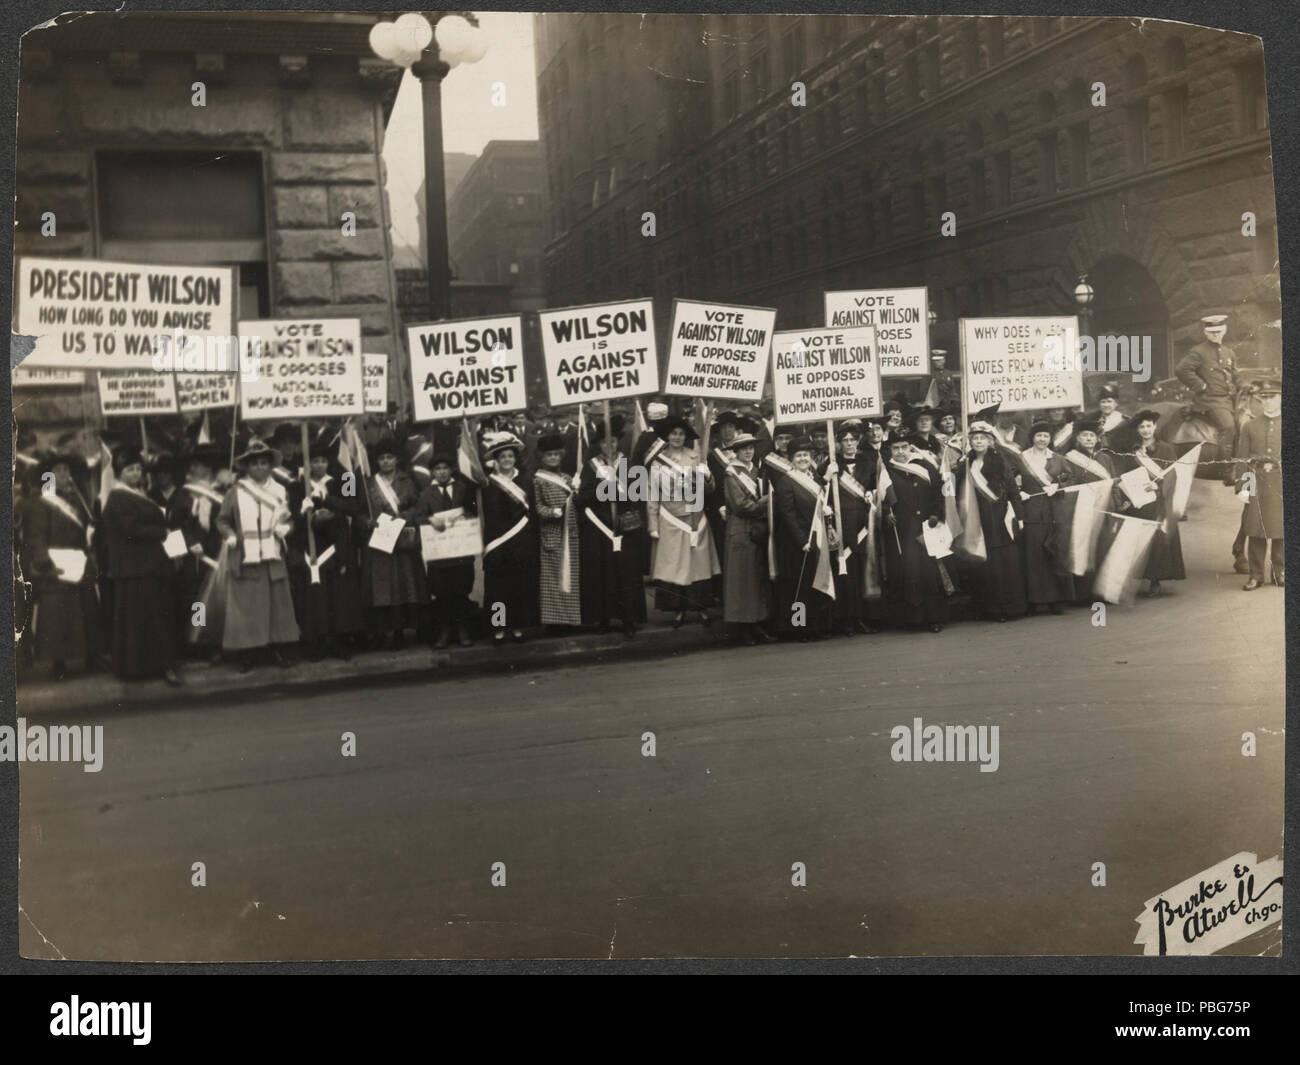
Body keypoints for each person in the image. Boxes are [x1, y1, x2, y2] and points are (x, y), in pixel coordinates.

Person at [101, 447, 183, 685]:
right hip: (135, 565)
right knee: (143, 617)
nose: (136, 473)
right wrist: (162, 532)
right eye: (130, 469)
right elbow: (130, 529)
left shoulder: (135, 494)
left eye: (138, 468)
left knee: (150, 616)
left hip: (145, 563)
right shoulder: (118, 497)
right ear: (119, 473)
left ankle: (151, 664)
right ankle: (144, 666)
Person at [216, 439, 300, 671]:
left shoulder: (281, 490)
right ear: (247, 467)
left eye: (264, 463)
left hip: (272, 555)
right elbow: (222, 520)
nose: (259, 468)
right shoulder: (235, 491)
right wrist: (230, 535)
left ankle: (278, 650)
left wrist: (286, 529)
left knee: (277, 606)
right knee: (247, 607)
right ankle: (248, 653)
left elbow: (288, 519)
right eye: (254, 464)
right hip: (246, 557)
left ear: (270, 466)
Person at [24, 449, 103, 679]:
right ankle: (58, 663)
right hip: (56, 563)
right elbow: (35, 536)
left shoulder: (76, 501)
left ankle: (92, 656)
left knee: (87, 609)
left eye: (66, 470)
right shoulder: (42, 503)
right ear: (48, 477)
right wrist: (43, 562)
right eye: (58, 470)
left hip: (79, 560)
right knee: (58, 616)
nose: (64, 474)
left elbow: (82, 528)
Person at [290, 438, 366, 660]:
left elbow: (354, 507)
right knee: (316, 597)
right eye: (315, 461)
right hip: (312, 547)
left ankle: (340, 641)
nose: (320, 465)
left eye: (323, 461)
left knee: (339, 597)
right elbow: (292, 518)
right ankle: (317, 642)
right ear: (308, 463)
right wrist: (303, 512)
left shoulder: (345, 479)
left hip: (337, 544)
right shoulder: (297, 486)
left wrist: (328, 501)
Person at [578, 417, 649, 637]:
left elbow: (639, 493)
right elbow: (583, 498)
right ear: (599, 444)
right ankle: (603, 618)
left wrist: (622, 494)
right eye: (604, 442)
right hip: (600, 527)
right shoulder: (591, 466)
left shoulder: (628, 463)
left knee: (626, 574)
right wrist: (604, 489)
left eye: (613, 441)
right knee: (603, 574)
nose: (609, 446)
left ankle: (628, 618)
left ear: (618, 442)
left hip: (624, 526)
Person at [648, 416, 719, 626]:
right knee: (675, 565)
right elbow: (652, 494)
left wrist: (707, 477)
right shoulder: (657, 461)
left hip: (695, 517)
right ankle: (678, 609)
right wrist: (653, 524)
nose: (677, 437)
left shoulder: (696, 457)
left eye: (681, 434)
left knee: (698, 564)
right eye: (673, 433)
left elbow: (710, 490)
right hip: (671, 518)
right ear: (667, 436)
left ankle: (700, 607)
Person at [955, 419, 1027, 622]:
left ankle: (1009, 607)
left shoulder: (1000, 461)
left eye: (982, 438)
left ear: (989, 441)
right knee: (984, 565)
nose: (978, 442)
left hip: (999, 517)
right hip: (977, 519)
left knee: (1003, 564)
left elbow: (1013, 490)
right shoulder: (965, 463)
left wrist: (1020, 516)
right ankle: (989, 608)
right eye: (974, 438)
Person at [362, 433, 427, 649]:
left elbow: (419, 507)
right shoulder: (367, 483)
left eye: (390, 457)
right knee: (382, 588)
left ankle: (401, 630)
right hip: (380, 542)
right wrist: (369, 522)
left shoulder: (408, 480)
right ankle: (382, 631)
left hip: (402, 541)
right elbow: (360, 509)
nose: (386, 461)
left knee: (404, 585)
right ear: (377, 461)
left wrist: (403, 518)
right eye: (382, 458)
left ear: (397, 459)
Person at [772, 435, 836, 640]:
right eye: (798, 455)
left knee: (813, 584)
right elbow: (787, 515)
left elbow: (819, 499)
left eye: (806, 455)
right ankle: (798, 628)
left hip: (816, 539)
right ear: (791, 459)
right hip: (797, 543)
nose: (802, 459)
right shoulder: (785, 482)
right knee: (798, 587)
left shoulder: (815, 477)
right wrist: (802, 541)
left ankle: (815, 627)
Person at [882, 434, 947, 633]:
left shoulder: (925, 467)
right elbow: (880, 498)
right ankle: (913, 619)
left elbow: (940, 492)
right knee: (909, 572)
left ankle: (934, 618)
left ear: (910, 447)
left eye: (904, 447)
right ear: (891, 451)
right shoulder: (885, 471)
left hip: (928, 527)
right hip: (903, 530)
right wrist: (886, 514)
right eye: (896, 448)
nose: (900, 452)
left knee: (929, 573)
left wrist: (936, 514)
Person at [1120, 410, 1186, 598]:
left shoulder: (1166, 448)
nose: (1146, 430)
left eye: (1149, 426)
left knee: (1157, 539)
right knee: (1141, 539)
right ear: (1138, 430)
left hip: (1159, 501)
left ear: (1155, 427)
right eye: (1142, 427)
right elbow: (1126, 475)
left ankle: (1155, 580)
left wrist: (1157, 484)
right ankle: (1142, 576)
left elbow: (1173, 475)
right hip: (1140, 502)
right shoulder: (1133, 451)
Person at [479, 432, 537, 643]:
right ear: (496, 460)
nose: (506, 460)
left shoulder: (525, 480)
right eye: (502, 457)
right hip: (498, 543)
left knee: (519, 588)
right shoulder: (487, 483)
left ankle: (518, 626)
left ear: (515, 458)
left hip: (521, 542)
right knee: (497, 590)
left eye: (510, 456)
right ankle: (499, 627)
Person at [719, 427, 775, 644]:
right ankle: (743, 628)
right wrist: (765, 502)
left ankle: (757, 623)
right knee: (741, 581)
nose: (748, 452)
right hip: (741, 530)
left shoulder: (756, 470)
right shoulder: (732, 473)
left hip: (757, 530)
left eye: (751, 447)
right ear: (736, 451)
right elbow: (740, 505)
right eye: (743, 449)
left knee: (757, 579)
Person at [1058, 414, 1120, 603]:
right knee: (1082, 547)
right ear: (1077, 438)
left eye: (1092, 436)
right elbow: (1066, 485)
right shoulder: (1069, 459)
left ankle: (1101, 592)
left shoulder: (1106, 459)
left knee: (1103, 547)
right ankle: (1083, 594)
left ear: (1098, 438)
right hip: (1081, 511)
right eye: (1085, 435)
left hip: (1104, 510)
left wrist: (1117, 503)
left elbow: (1114, 482)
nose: (1089, 439)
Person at [1016, 421, 1076, 614]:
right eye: (1039, 435)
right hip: (1031, 512)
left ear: (1050, 439)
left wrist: (1058, 486)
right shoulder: (1021, 458)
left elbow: (1070, 478)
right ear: (1033, 437)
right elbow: (1011, 479)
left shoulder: (1058, 458)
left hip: (1054, 512)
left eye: (1046, 436)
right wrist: (1019, 492)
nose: (1042, 439)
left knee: (1055, 556)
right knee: (1033, 556)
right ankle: (1035, 600)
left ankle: (1056, 600)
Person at [419, 453, 478, 648]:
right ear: (432, 472)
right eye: (438, 469)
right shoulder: (426, 493)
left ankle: (462, 629)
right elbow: (418, 516)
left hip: (461, 550)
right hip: (438, 552)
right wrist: (429, 520)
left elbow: (474, 510)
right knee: (442, 592)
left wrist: (464, 517)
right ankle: (444, 630)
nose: (442, 472)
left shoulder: (463, 489)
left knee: (461, 590)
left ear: (451, 470)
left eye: (445, 468)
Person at [1234, 378, 1283, 590]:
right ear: (1259, 401)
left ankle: (1280, 572)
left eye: (1273, 398)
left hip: (1282, 481)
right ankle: (1255, 575)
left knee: (1281, 528)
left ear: (1281, 398)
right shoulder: (1250, 426)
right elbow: (1242, 458)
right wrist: (1242, 487)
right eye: (1264, 398)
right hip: (1256, 479)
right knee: (1255, 528)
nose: (1269, 402)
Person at [829, 425, 876, 635]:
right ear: (839, 443)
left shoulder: (868, 463)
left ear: (858, 442)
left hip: (863, 525)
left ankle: (861, 618)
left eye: (852, 440)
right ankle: (846, 619)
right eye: (845, 440)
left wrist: (871, 495)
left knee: (861, 572)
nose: (849, 444)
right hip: (841, 525)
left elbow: (875, 487)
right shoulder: (830, 465)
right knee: (844, 574)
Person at [533, 432, 582, 629]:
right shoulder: (538, 480)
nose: (553, 458)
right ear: (542, 457)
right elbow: (537, 507)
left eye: (556, 454)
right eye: (549, 455)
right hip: (552, 534)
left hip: (571, 533)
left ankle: (570, 619)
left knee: (570, 577)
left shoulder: (567, 478)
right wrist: (550, 512)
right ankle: (554, 622)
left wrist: (577, 489)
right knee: (553, 579)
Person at [1176, 314, 1240, 440]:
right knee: (1228, 428)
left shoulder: (1229, 352)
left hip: (1229, 400)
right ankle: (1224, 460)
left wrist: (1245, 387)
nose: (1216, 335)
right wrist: (1201, 386)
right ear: (1206, 333)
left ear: (1224, 330)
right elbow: (1181, 370)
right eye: (1212, 332)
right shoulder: (1199, 352)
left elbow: (1235, 375)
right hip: (1210, 401)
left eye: (1219, 331)